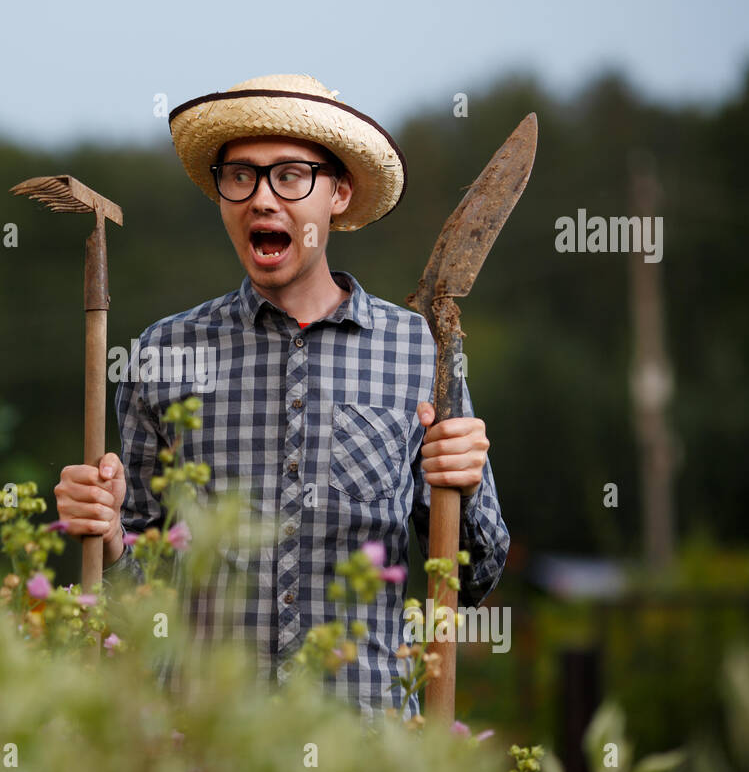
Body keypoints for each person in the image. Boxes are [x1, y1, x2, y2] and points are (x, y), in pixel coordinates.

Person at [53, 74, 509, 720]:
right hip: (210, 748)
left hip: (366, 754)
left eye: (291, 175)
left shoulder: (421, 349)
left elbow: (473, 579)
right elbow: (134, 602)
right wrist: (103, 537)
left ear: (338, 193)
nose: (262, 198)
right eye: (240, 176)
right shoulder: (164, 351)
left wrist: (458, 489)